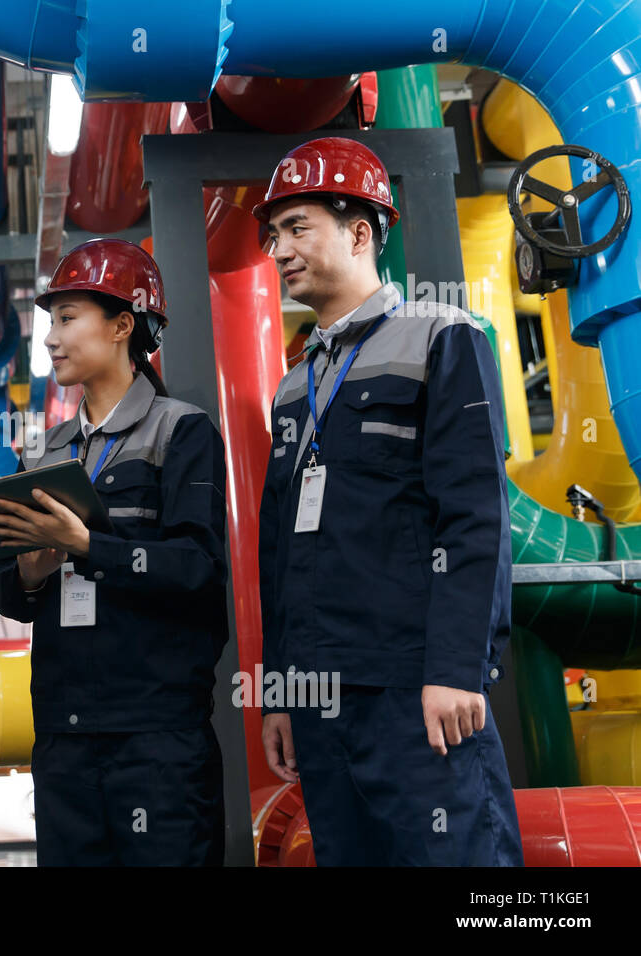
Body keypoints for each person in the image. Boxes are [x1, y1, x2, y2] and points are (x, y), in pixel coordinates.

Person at [254, 137, 523, 865]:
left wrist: (457, 669)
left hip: (414, 690)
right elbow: (277, 551)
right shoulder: (293, 383)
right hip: (321, 697)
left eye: (297, 226)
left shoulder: (444, 337)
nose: (279, 249)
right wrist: (281, 689)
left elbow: (477, 517)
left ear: (361, 231)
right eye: (273, 234)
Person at [0, 238, 230, 866]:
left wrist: (89, 546)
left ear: (123, 324)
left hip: (156, 738)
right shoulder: (46, 451)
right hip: (64, 737)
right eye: (51, 322)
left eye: (67, 319)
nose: (50, 338)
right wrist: (34, 572)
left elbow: (198, 572)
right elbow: (7, 591)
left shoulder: (183, 431)